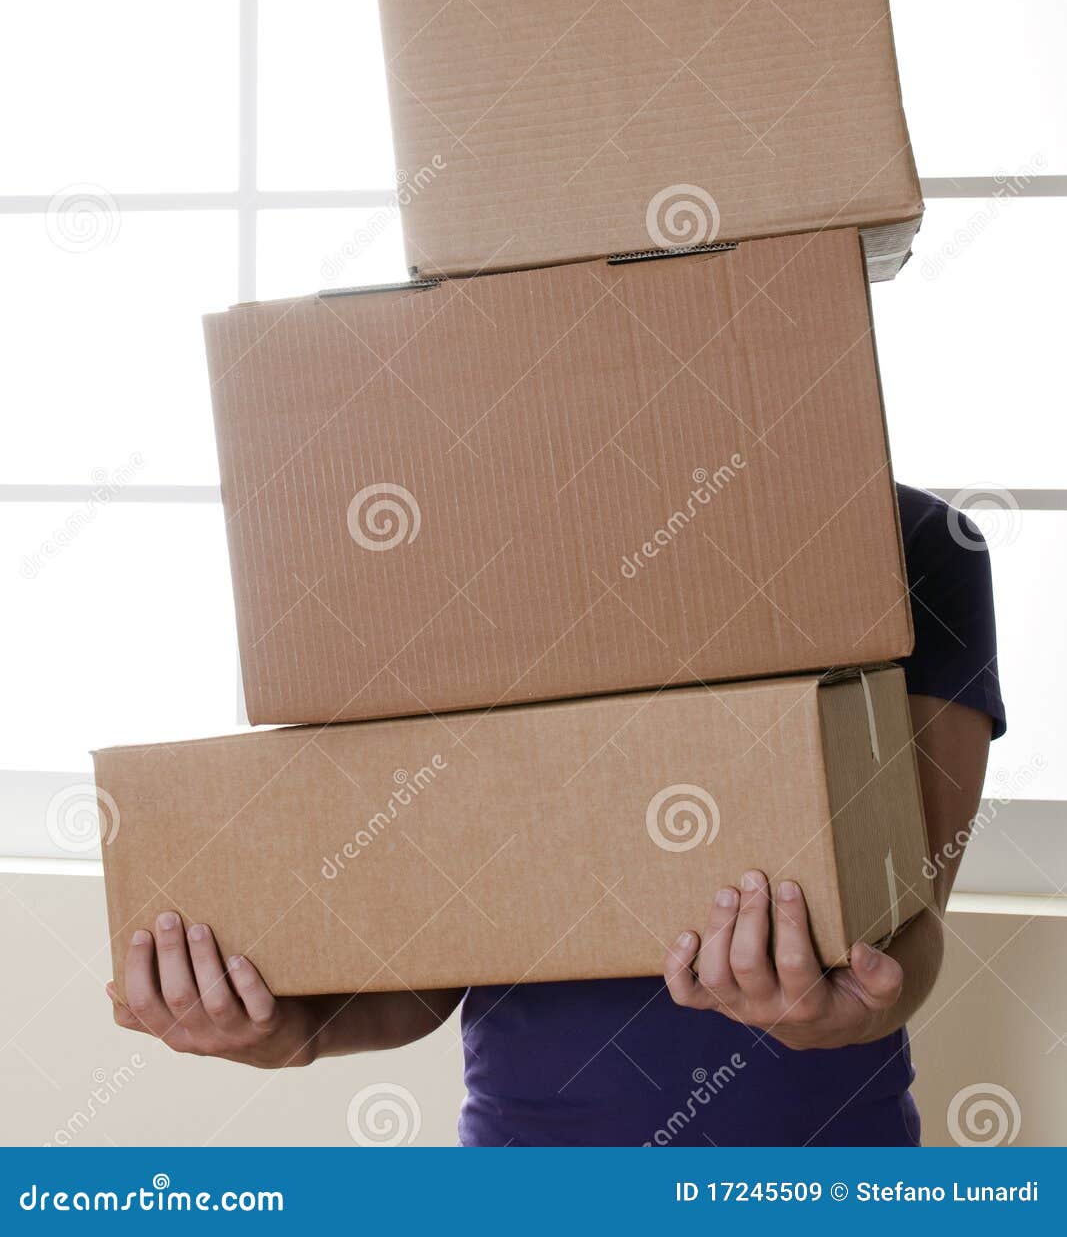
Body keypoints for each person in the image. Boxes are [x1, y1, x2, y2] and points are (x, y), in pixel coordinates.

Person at [107, 484, 1003, 1146]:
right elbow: (429, 974)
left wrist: (845, 1013)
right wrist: (289, 1033)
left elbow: (910, 924)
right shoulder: (465, 555)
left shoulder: (913, 543)